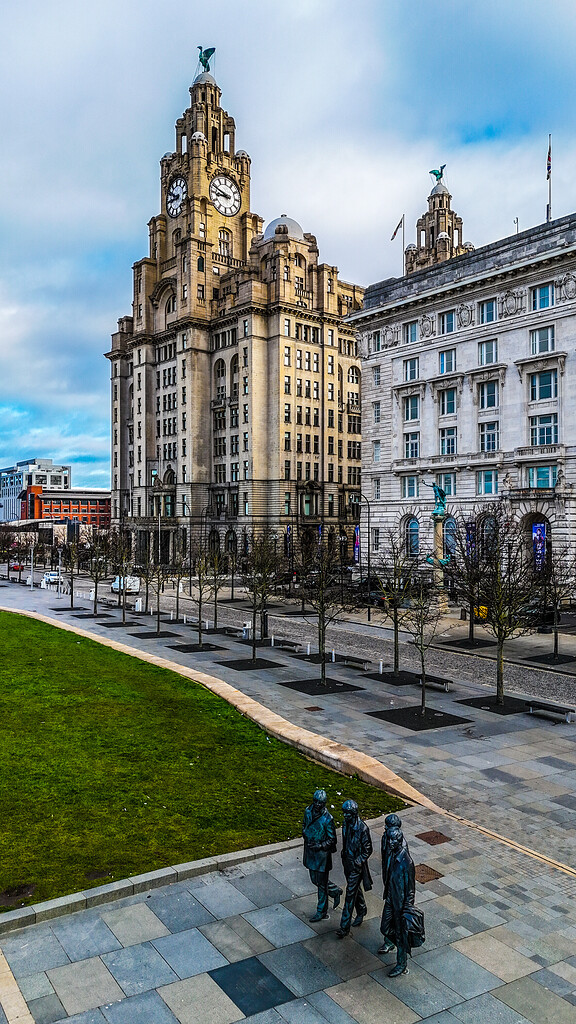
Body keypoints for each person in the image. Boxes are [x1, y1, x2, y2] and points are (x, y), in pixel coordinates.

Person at [379, 825, 425, 976]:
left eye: (393, 840)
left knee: (400, 933)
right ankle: (398, 943)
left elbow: (411, 889)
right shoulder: (393, 855)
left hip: (400, 904)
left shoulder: (407, 862)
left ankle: (401, 963)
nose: (390, 842)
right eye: (389, 839)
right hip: (391, 898)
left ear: (399, 840)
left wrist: (407, 908)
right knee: (384, 928)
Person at [302, 789, 343, 922]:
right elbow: (305, 824)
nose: (317, 805)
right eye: (315, 802)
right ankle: (335, 891)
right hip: (310, 851)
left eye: (320, 803)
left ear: (324, 804)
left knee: (321, 885)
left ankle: (321, 911)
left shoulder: (327, 819)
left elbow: (332, 839)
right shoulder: (308, 811)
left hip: (321, 855)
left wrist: (319, 845)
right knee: (315, 880)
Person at [336, 800, 373, 937]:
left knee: (350, 894)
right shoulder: (346, 824)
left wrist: (359, 860)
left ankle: (344, 927)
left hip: (356, 866)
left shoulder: (363, 828)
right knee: (355, 889)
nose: (345, 816)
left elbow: (368, 849)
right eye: (344, 813)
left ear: (354, 813)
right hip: (347, 862)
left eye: (348, 814)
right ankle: (362, 909)